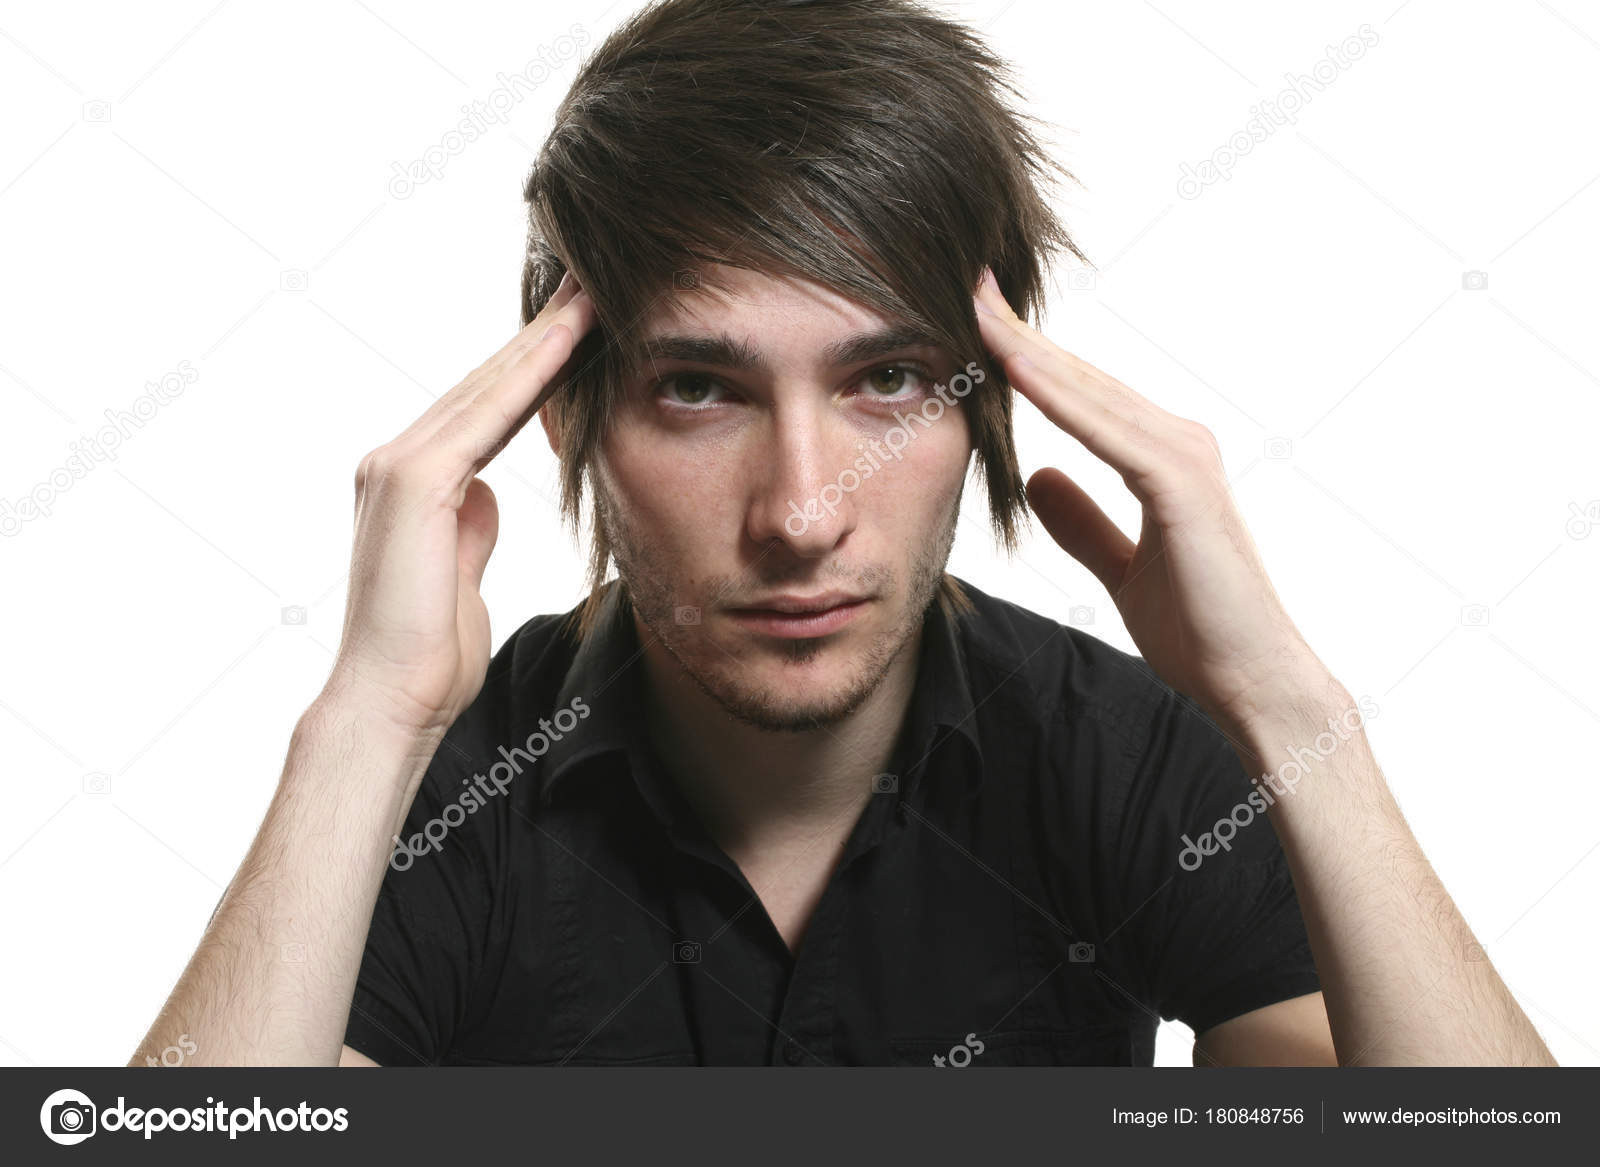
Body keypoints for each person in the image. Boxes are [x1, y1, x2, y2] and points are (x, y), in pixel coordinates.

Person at [132, 0, 1554, 1067]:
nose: (802, 516)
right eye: (700, 388)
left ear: (983, 408)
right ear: (563, 419)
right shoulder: (448, 794)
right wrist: (361, 727)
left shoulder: (1115, 750)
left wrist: (1291, 704)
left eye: (886, 381)